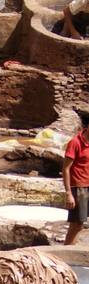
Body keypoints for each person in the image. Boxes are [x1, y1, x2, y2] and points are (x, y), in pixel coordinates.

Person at [63, 104, 89, 246]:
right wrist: (69, 193)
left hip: (88, 185)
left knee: (81, 225)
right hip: (79, 188)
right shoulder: (75, 143)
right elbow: (66, 169)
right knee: (76, 225)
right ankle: (65, 257)